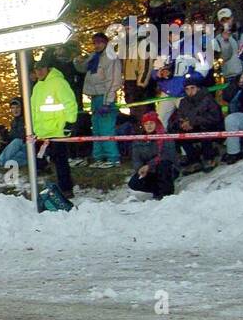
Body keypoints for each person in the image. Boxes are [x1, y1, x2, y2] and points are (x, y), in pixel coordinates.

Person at [30, 58, 78, 199]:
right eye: (36, 69)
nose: (39, 72)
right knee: (41, 162)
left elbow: (70, 102)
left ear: (48, 68)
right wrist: (32, 128)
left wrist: (70, 123)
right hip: (42, 132)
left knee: (60, 162)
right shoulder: (37, 87)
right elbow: (34, 110)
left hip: (58, 130)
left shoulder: (59, 82)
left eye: (41, 68)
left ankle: (66, 190)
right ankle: (49, 190)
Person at [81, 32, 123, 168]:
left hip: (105, 97)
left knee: (106, 128)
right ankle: (99, 157)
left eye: (99, 42)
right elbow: (82, 67)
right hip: (95, 97)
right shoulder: (94, 57)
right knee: (97, 128)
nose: (96, 45)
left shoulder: (111, 58)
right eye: (94, 43)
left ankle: (113, 158)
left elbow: (113, 81)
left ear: (106, 43)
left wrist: (107, 102)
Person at [175, 72, 224, 173]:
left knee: (204, 128)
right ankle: (194, 160)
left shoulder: (208, 99)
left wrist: (193, 122)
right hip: (192, 127)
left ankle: (209, 158)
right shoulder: (183, 102)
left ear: (198, 88)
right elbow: (179, 116)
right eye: (187, 89)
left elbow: (215, 117)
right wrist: (182, 124)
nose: (190, 91)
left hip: (210, 127)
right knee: (178, 131)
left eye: (192, 88)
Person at [127, 111, 179, 200]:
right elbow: (136, 158)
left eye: (151, 123)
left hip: (167, 169)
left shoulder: (165, 137)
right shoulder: (139, 139)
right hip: (149, 171)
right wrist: (140, 168)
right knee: (134, 183)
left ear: (156, 123)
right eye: (146, 124)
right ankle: (158, 190)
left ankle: (167, 193)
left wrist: (149, 166)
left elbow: (167, 155)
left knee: (164, 165)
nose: (149, 126)